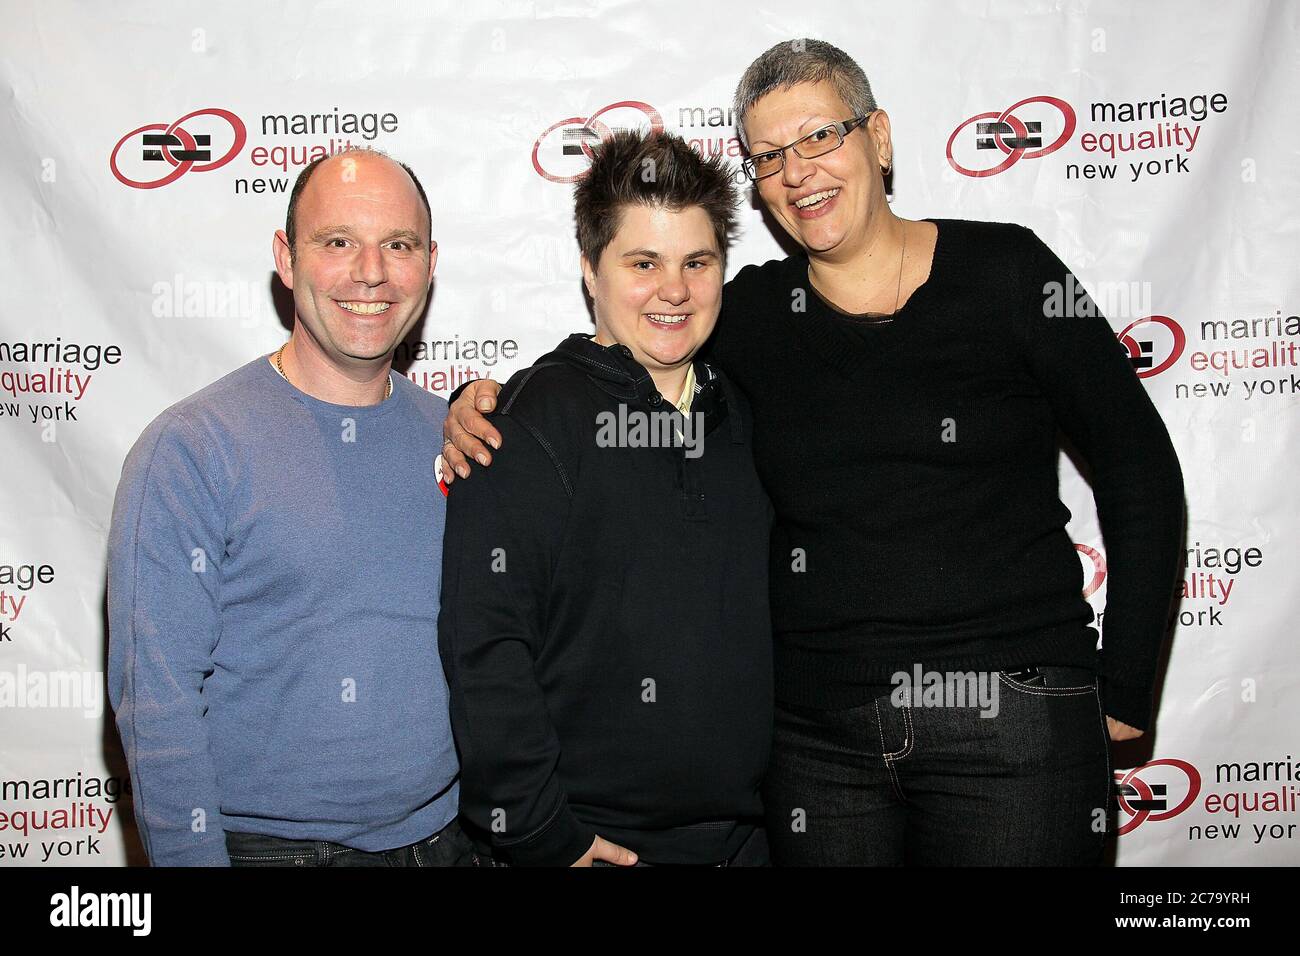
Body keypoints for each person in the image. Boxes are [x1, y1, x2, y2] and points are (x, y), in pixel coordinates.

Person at [441, 40, 1185, 865]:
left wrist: (1124, 681)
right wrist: (480, 404)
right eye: (769, 155)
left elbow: (1139, 466)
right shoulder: (750, 315)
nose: (798, 171)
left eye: (821, 136)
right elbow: (627, 343)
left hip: (1010, 724)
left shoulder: (1008, 272)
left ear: (882, 139)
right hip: (817, 749)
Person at [107, 148, 477, 866]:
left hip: (450, 842)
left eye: (397, 246)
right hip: (266, 851)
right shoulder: (192, 448)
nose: (370, 273)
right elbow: (155, 702)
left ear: (429, 264)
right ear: (286, 257)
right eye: (338, 242)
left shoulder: (456, 437)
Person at [438, 130, 773, 867]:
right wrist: (541, 834)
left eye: (697, 262)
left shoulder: (748, 414)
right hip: (593, 849)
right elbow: (485, 645)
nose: (674, 289)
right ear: (591, 269)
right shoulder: (526, 424)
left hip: (752, 846)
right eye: (643, 263)